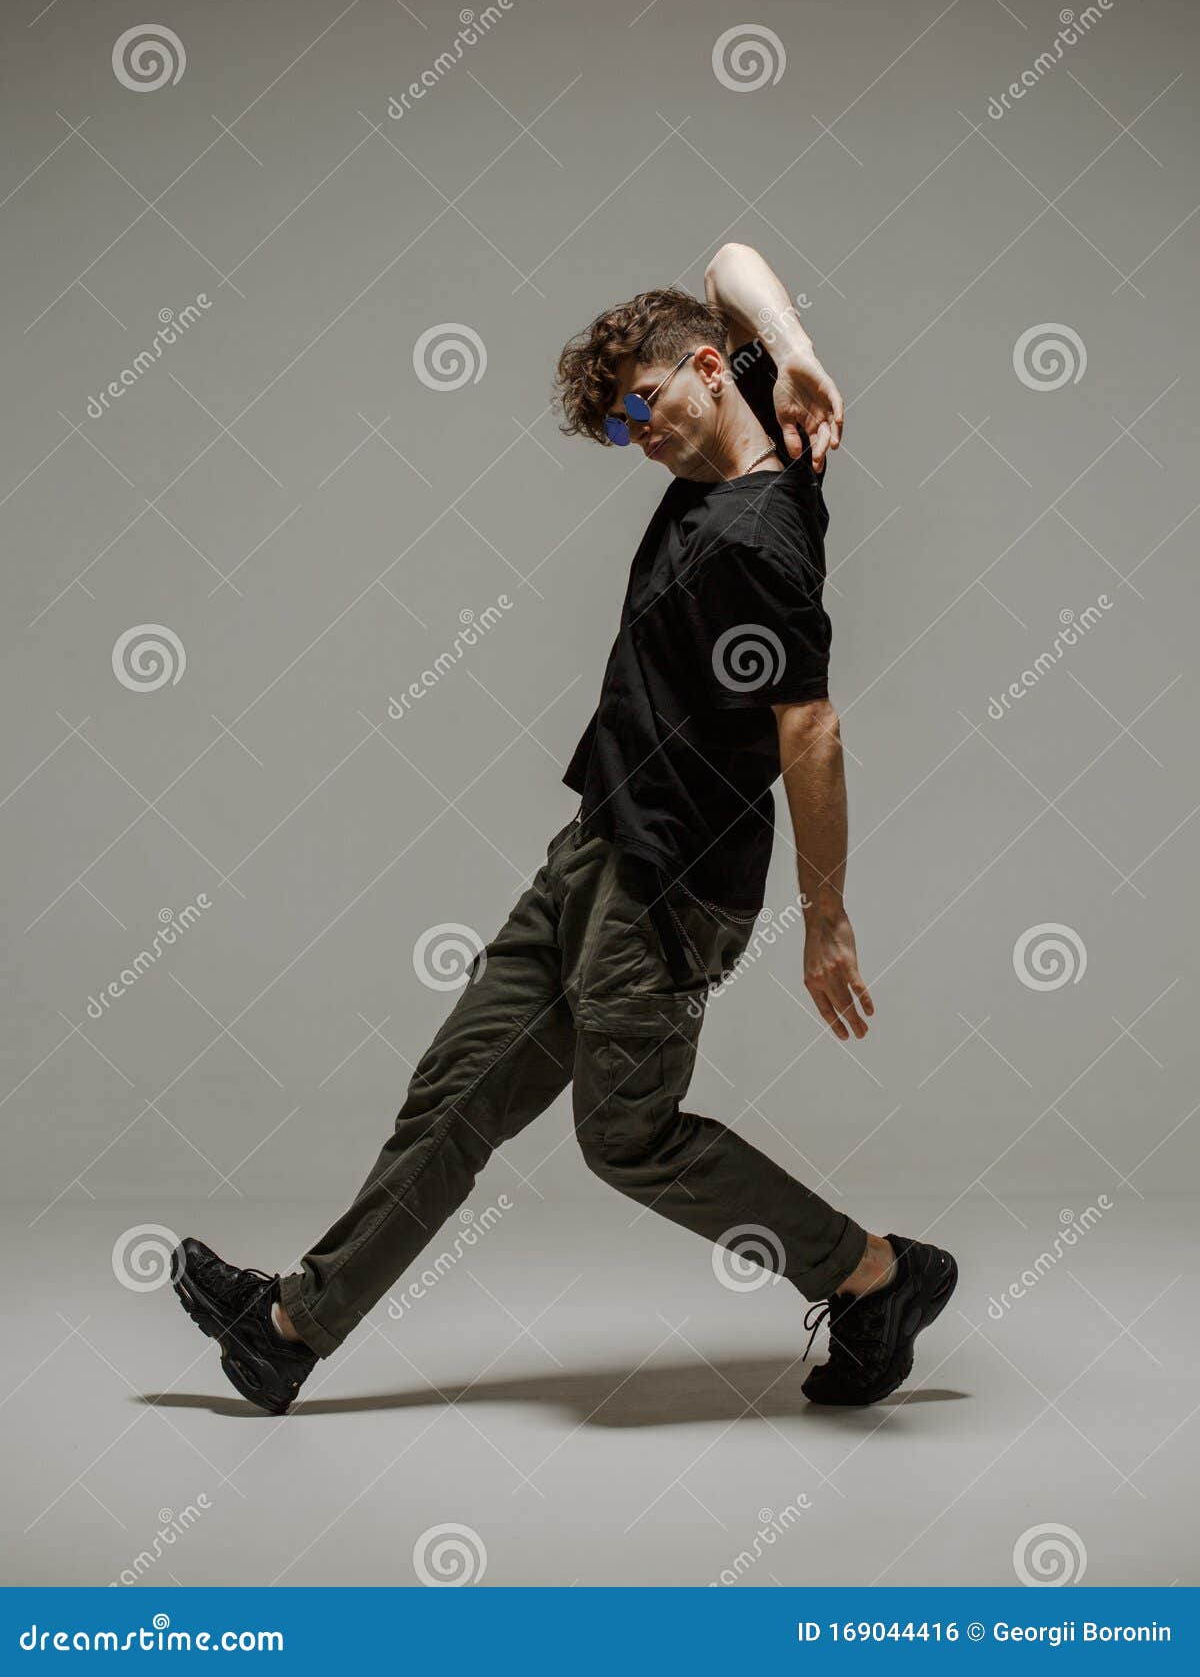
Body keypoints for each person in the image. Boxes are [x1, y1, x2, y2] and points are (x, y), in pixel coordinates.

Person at [170, 242, 957, 1416]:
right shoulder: (757, 417)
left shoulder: (759, 536)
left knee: (626, 1137)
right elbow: (729, 255)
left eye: (643, 411)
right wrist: (796, 355)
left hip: (673, 885)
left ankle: (873, 1275)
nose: (641, 440)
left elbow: (813, 734)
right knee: (455, 1090)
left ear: (700, 373)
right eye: (619, 433)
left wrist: (826, 916)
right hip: (597, 847)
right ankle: (290, 1330)